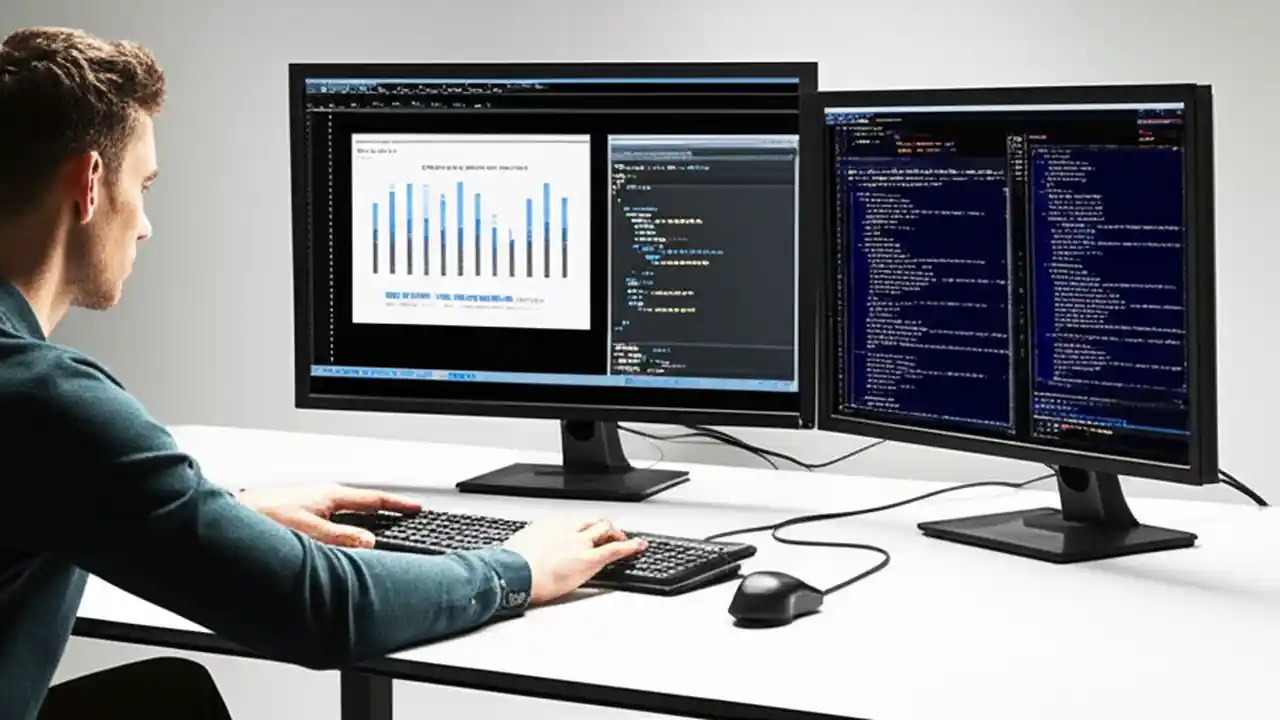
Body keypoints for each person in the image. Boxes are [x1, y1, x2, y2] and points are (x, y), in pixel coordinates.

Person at [0, 26, 647, 720]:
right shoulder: (45, 399)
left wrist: (227, 520)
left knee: (166, 697)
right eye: (144, 185)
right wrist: (516, 569)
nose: (147, 225)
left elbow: (55, 501)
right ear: (90, 183)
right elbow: (322, 607)